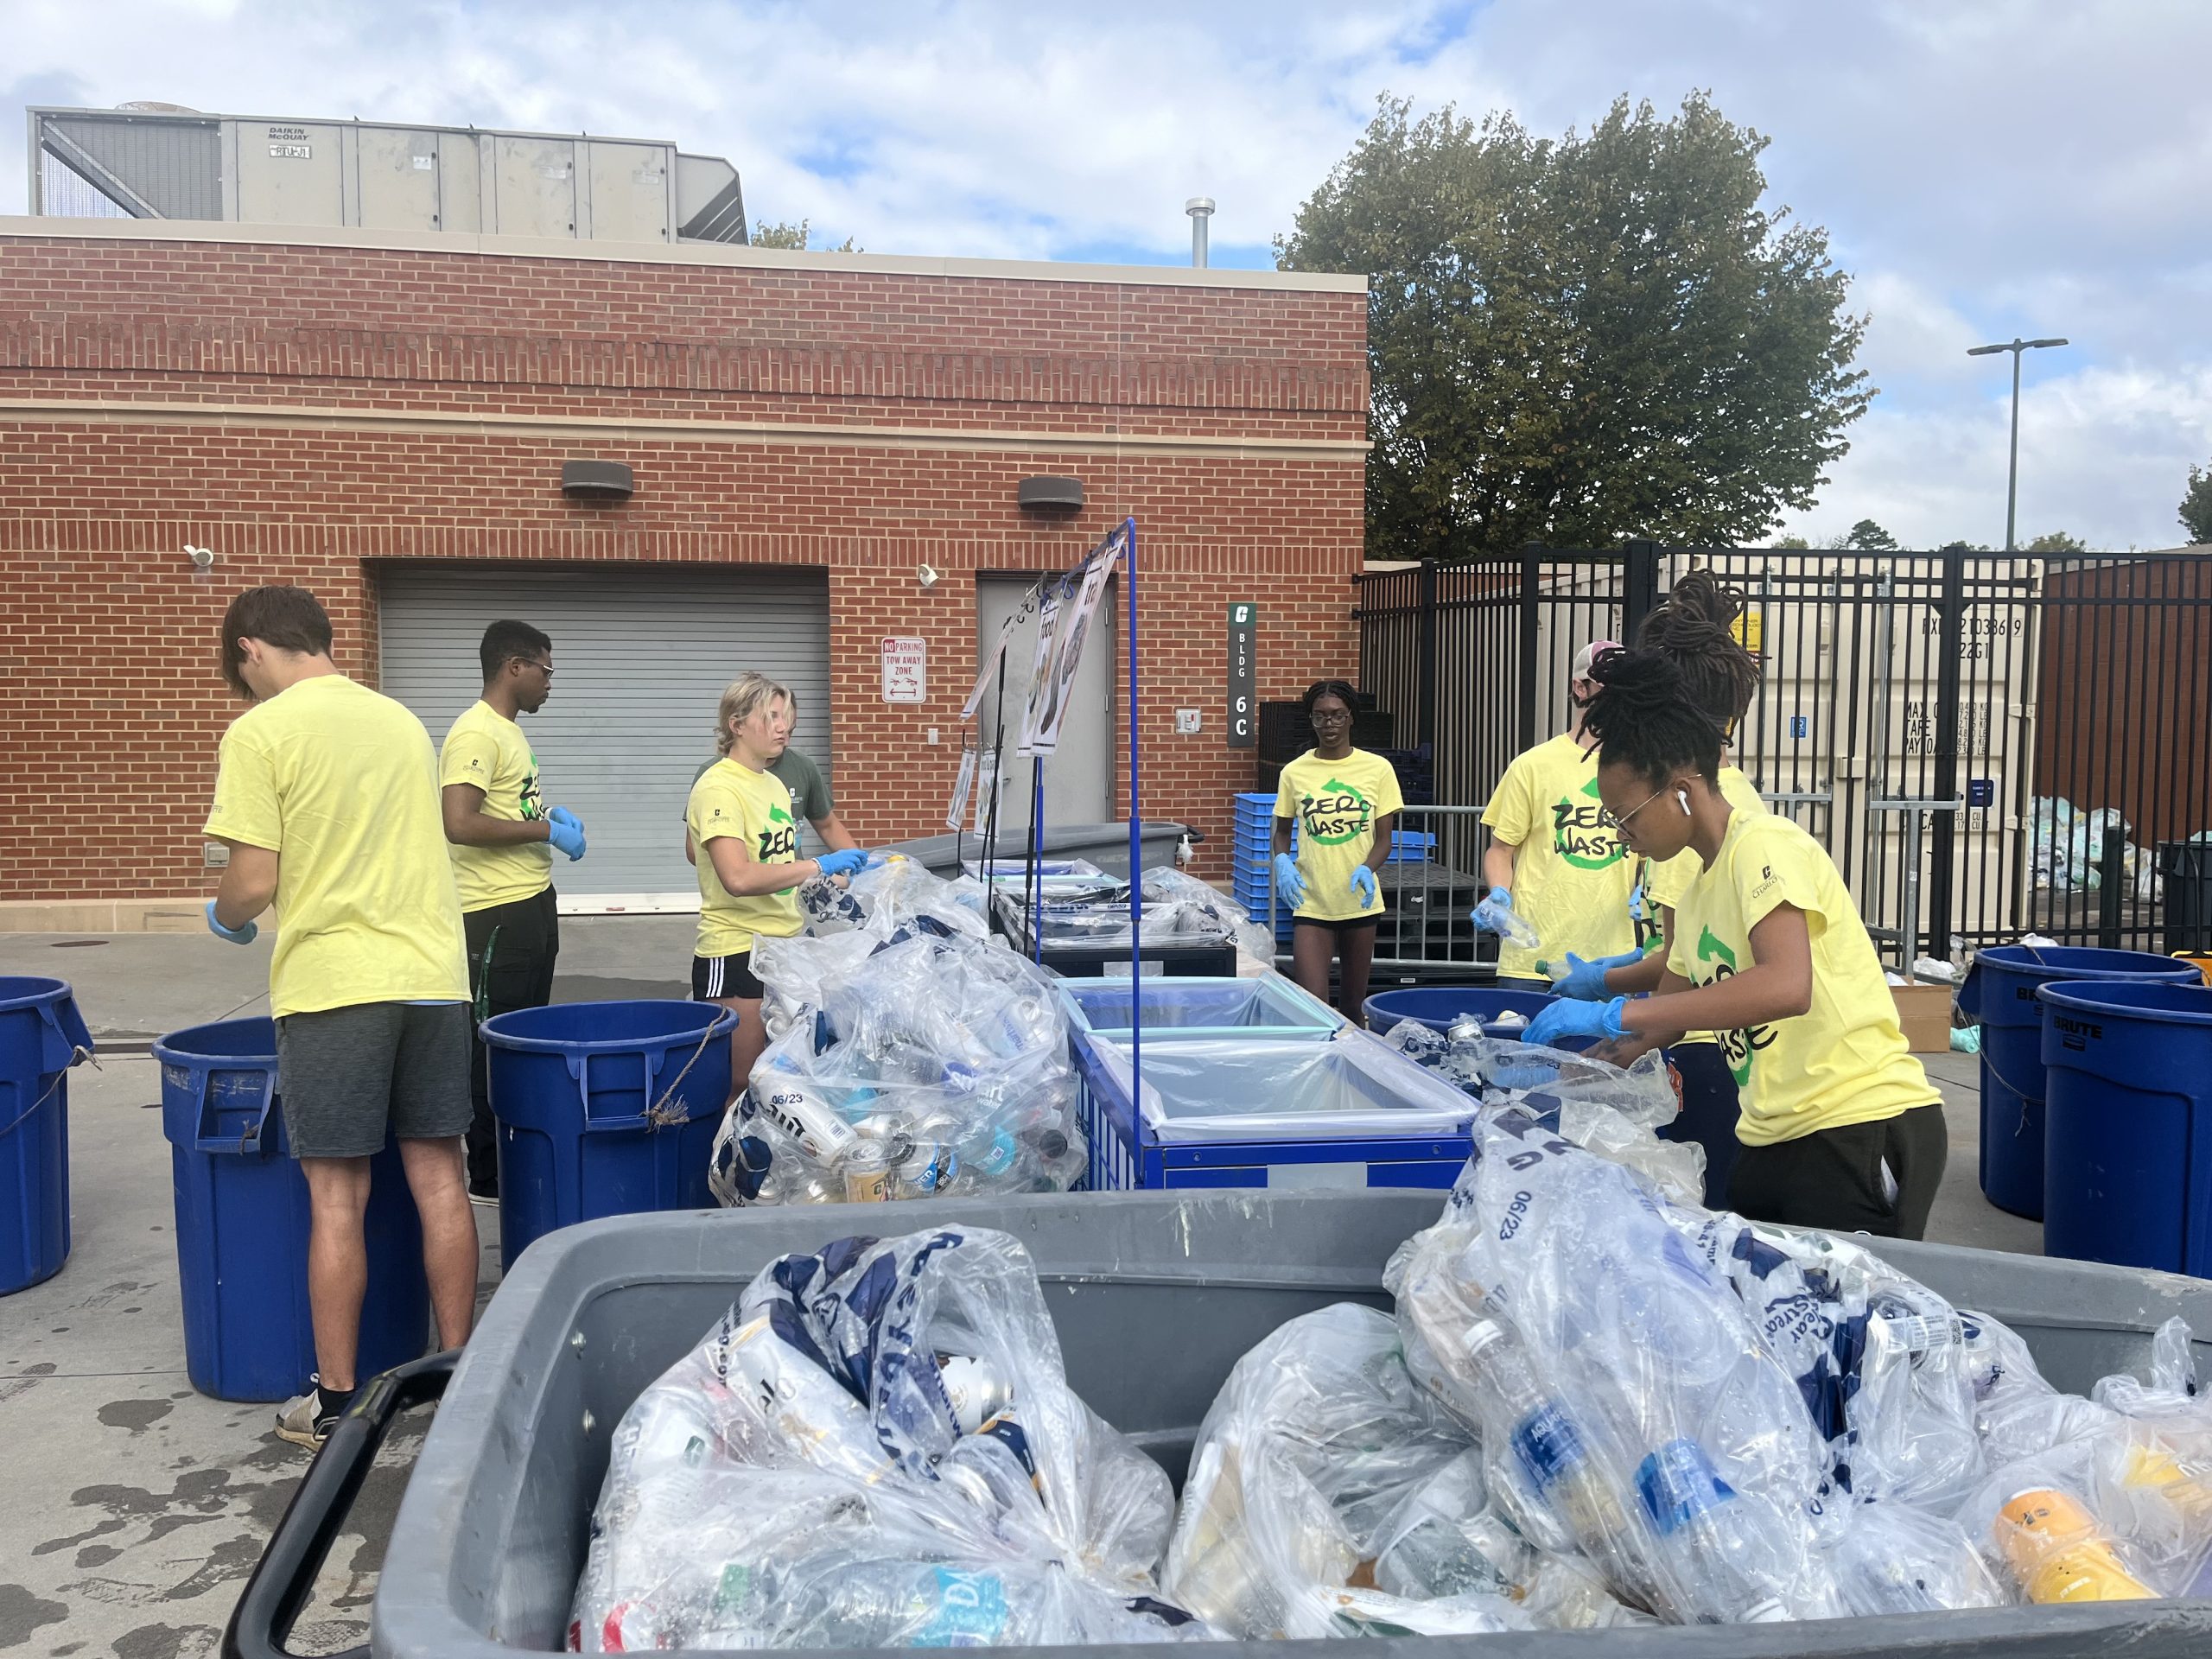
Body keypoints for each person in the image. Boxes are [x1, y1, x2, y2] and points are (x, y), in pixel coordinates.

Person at [1524, 646, 1948, 1238]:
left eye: (1626, 817)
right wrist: (1582, 1066)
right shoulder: (1698, 890)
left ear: (1679, 791)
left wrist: (1613, 1006)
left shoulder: (1764, 846)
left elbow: (1784, 985)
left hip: (1853, 1124)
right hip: (1770, 1132)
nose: (1623, 838)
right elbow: (1668, 1016)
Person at [200, 585, 478, 1448]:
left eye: (241, 674)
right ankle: (460, 1378)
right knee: (439, 1175)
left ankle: (334, 1403)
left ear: (252, 650)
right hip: (434, 976)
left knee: (336, 1194)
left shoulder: (261, 732)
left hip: (336, 984)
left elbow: (251, 880)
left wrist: (226, 916)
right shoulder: (400, 721)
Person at [1547, 574, 1767, 1199]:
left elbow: (1684, 969)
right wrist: (1612, 982)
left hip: (1706, 1051)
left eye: (1626, 821)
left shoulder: (1686, 823)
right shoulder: (1730, 800)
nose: (1623, 835)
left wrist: (1618, 1020)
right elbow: (1689, 951)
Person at [438, 620, 587, 1201]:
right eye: (546, 670)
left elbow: (506, 807)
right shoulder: (476, 733)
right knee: (491, 1042)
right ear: (514, 668)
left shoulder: (509, 733)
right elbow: (460, 821)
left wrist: (546, 819)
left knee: (523, 1036)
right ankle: (489, 1177)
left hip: (528, 903)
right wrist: (545, 828)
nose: (550, 683)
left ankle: (515, 1157)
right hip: (494, 913)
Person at [689, 672, 871, 1094]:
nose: (783, 726)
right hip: (735, 949)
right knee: (739, 1079)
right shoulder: (717, 786)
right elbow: (737, 877)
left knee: (784, 1075)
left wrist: (843, 878)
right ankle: (718, 1159)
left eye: (786, 717)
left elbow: (780, 863)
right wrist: (817, 866)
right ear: (737, 725)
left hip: (786, 946)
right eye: (770, 717)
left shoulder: (773, 784)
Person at [1474, 640, 1637, 986]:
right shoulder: (1534, 765)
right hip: (1532, 958)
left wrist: (1648, 889)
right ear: (1580, 687)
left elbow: (1659, 851)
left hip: (1613, 961)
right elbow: (1501, 850)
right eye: (1610, 691)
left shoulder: (1642, 767)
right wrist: (1500, 894)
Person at [1271, 680, 1403, 1024]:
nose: (1328, 725)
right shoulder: (1294, 772)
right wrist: (1282, 861)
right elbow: (1282, 833)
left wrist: (1367, 868)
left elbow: (1384, 839)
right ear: (1311, 720)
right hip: (1311, 901)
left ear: (1351, 718)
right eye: (1320, 717)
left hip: (1358, 902)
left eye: (1337, 716)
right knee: (1313, 1009)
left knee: (1352, 1007)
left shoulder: (1377, 769)